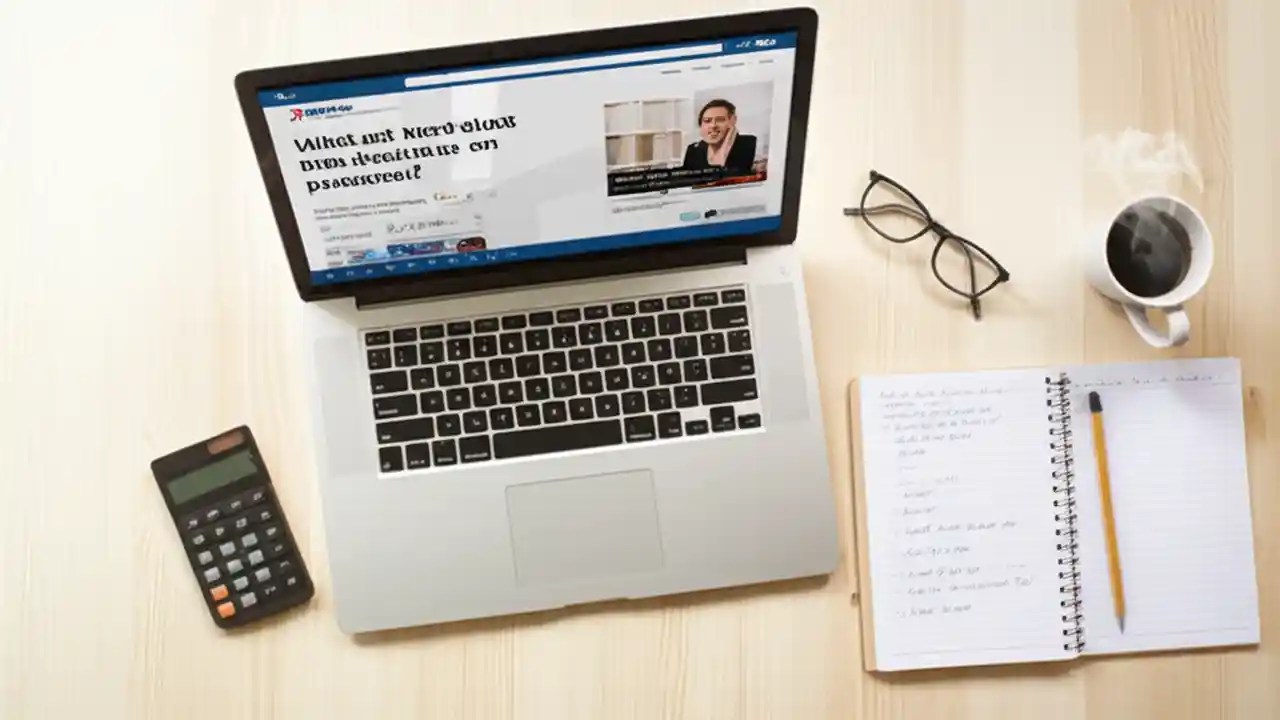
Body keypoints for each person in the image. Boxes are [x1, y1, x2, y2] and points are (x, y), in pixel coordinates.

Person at [681, 99, 758, 176]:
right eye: (707, 121)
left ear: (732, 121)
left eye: (720, 120)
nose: (713, 125)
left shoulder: (748, 143)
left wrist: (726, 147)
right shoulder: (694, 150)